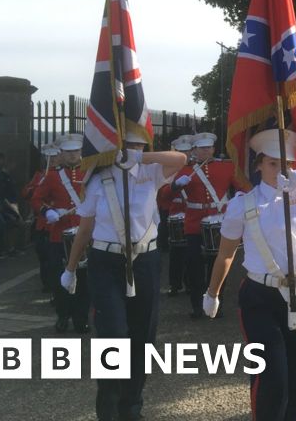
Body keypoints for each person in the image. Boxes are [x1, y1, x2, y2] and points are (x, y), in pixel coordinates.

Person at [203, 129, 296, 421]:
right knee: (273, 379)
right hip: (261, 297)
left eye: (287, 164)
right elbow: (226, 254)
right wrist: (212, 292)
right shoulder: (242, 205)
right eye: (272, 164)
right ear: (258, 165)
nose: (281, 170)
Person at [62, 133, 185, 421]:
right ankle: (108, 408)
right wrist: (70, 268)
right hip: (106, 261)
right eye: (128, 144)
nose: (134, 149)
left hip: (145, 259)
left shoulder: (151, 171)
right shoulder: (98, 178)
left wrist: (141, 158)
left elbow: (181, 159)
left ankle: (132, 408)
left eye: (139, 144)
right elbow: (85, 226)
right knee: (113, 335)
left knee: (143, 338)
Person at [174, 132, 247, 318]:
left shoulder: (227, 167)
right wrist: (176, 186)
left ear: (214, 149)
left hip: (219, 223)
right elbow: (164, 196)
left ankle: (216, 304)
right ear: (194, 150)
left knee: (218, 265)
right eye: (201, 148)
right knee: (194, 265)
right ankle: (197, 307)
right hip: (194, 225)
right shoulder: (184, 170)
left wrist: (238, 199)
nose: (206, 151)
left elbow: (243, 188)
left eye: (209, 147)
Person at [33, 134, 90, 333]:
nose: (72, 155)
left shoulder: (91, 173)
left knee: (84, 279)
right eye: (68, 152)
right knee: (61, 277)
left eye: (75, 151)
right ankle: (63, 316)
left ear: (81, 152)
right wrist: (47, 211)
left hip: (85, 233)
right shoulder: (53, 176)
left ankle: (81, 318)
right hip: (60, 234)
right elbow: (37, 199)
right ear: (62, 154)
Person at [157, 134, 194, 297]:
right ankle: (175, 284)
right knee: (176, 252)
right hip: (175, 213)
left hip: (191, 214)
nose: (184, 155)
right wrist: (175, 186)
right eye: (181, 152)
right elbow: (163, 195)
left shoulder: (196, 169)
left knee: (192, 253)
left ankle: (190, 283)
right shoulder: (169, 170)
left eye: (187, 151)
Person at [24, 142, 61, 292]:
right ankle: (48, 285)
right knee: (44, 258)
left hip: (60, 223)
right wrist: (38, 186)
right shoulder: (40, 175)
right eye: (49, 158)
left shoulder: (64, 175)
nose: (52, 160)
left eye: (55, 157)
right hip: (44, 223)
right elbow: (27, 193)